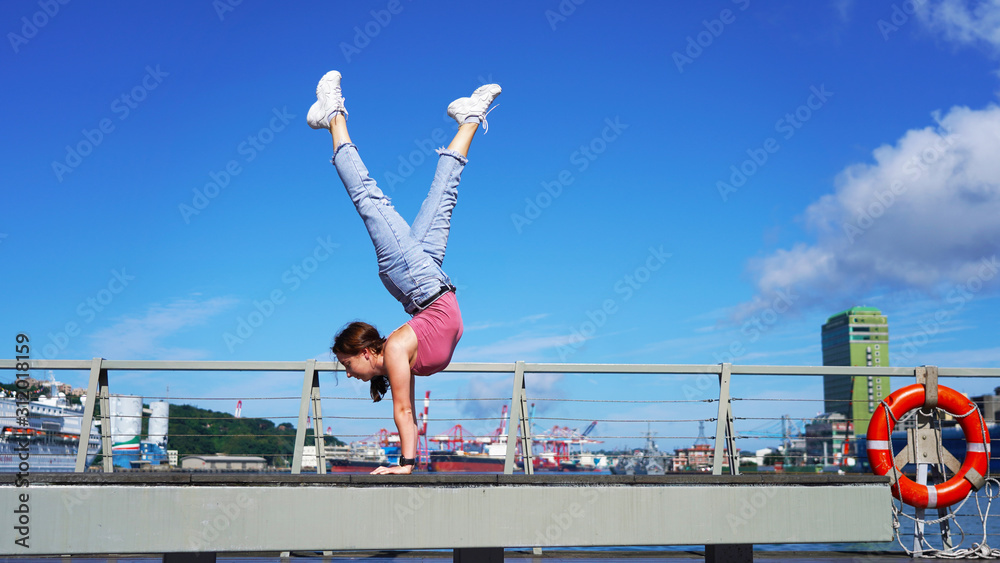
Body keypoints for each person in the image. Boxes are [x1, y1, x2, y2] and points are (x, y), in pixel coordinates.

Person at [307, 71, 501, 475]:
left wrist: (406, 464)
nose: (350, 374)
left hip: (414, 278)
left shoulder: (396, 349)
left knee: (367, 196)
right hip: (427, 282)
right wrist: (408, 464)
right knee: (444, 194)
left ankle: (334, 114)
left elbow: (402, 409)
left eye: (347, 365)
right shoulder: (399, 356)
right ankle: (469, 118)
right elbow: (406, 412)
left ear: (365, 353)